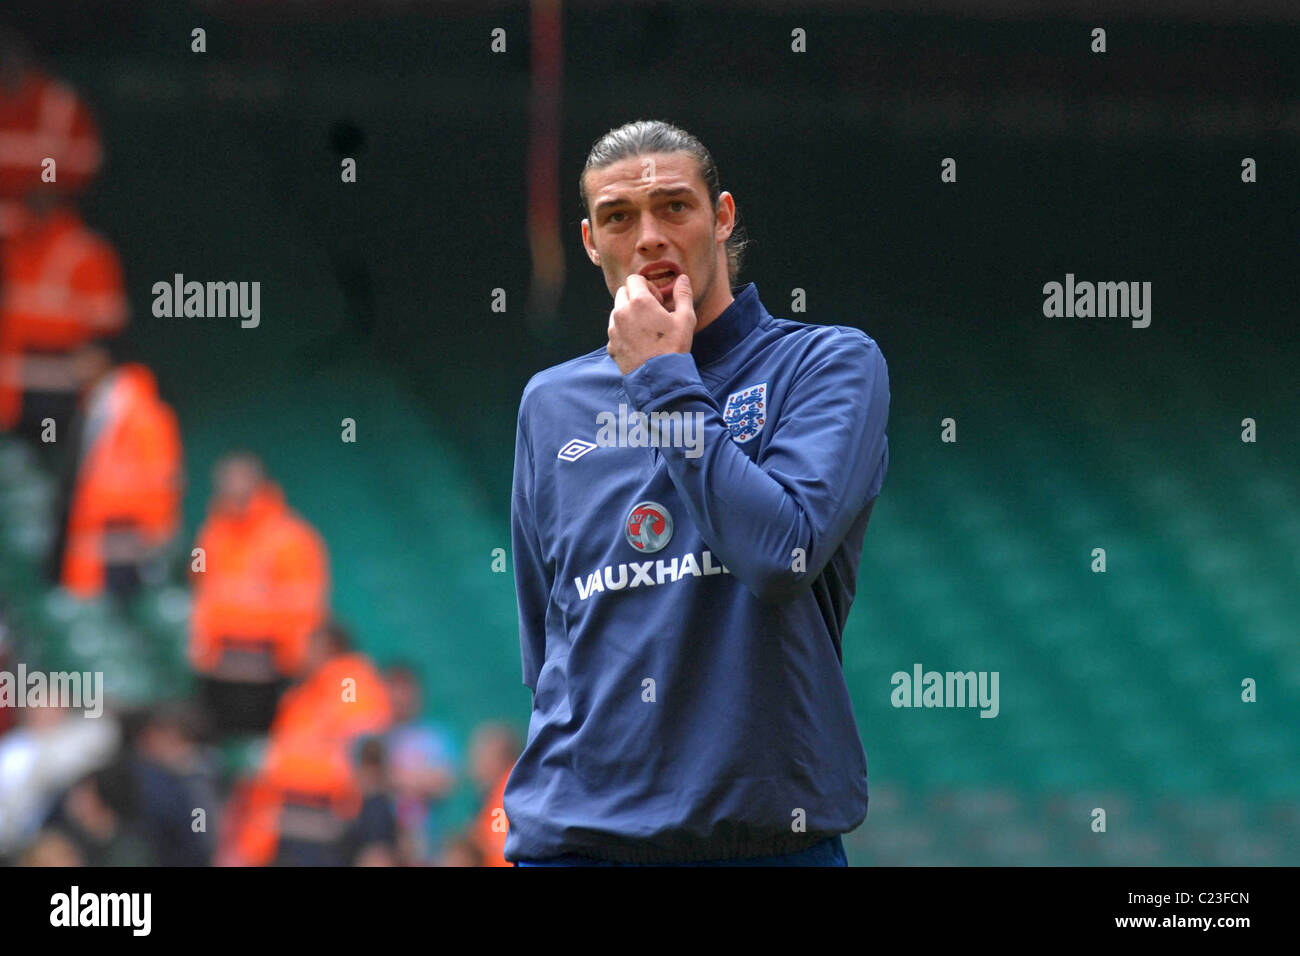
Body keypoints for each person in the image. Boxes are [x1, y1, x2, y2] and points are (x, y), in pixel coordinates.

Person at [504, 120, 890, 865]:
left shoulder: (828, 365)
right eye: (619, 217)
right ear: (590, 242)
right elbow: (550, 647)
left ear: (722, 218)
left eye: (674, 207)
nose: (649, 236)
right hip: (577, 845)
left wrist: (663, 381)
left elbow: (780, 554)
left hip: (763, 842)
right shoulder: (549, 404)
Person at [189, 452, 330, 738]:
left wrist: (292, 661)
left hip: (270, 670)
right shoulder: (212, 535)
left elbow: (305, 606)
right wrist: (203, 647)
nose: (232, 489)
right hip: (220, 666)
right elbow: (202, 590)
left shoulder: (291, 538)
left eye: (239, 480)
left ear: (260, 483)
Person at [229, 620, 392, 866]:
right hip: (288, 812)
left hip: (326, 815)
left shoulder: (348, 680)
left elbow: (360, 736)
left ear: (328, 647)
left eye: (308, 647)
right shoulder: (305, 693)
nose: (301, 654)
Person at [49, 343, 183, 601]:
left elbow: (163, 478)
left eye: (83, 359)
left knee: (126, 602)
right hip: (96, 528)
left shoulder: (144, 412)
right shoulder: (93, 405)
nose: (75, 368)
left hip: (129, 532)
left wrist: (156, 532)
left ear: (102, 360)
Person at [0, 193, 127, 447]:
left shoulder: (85, 251)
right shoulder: (13, 245)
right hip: (12, 396)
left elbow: (109, 329)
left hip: (64, 395)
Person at [382, 664, 457, 864]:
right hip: (383, 840)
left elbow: (444, 783)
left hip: (425, 839)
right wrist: (419, 779)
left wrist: (394, 778)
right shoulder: (375, 736)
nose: (400, 698)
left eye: (405, 691)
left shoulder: (436, 737)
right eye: (395, 690)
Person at [466, 722, 519, 868]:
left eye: (481, 754)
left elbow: (500, 849)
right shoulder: (500, 788)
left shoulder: (506, 790)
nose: (474, 762)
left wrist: (476, 839)